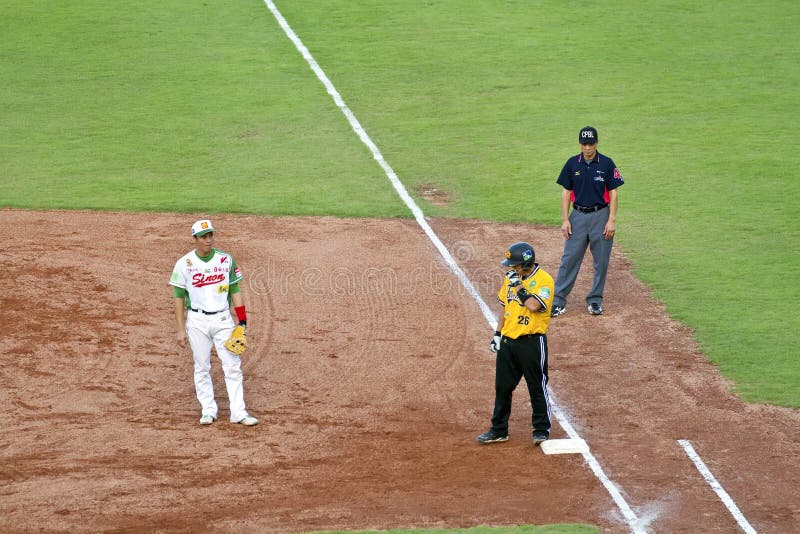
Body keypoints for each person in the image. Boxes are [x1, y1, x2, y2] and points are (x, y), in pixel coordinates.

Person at [169, 219, 259, 426]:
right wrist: (180, 329)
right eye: (203, 237)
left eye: (210, 235)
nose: (208, 240)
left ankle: (239, 412)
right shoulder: (184, 263)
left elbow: (235, 289)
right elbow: (178, 297)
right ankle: (208, 410)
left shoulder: (225, 260)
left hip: (222, 319)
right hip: (197, 320)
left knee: (232, 366)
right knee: (201, 366)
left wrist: (242, 320)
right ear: (195, 239)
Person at [477, 242, 554, 446]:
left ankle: (541, 430)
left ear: (525, 263)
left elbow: (534, 305)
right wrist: (497, 333)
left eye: (515, 265)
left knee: (536, 386)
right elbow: (505, 306)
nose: (511, 268)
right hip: (508, 341)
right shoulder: (511, 279)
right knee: (502, 388)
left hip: (531, 343)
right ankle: (499, 430)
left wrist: (518, 286)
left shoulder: (544, 281)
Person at [551, 126, 624, 317]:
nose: (587, 147)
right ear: (580, 144)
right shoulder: (572, 164)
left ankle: (595, 300)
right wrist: (565, 219)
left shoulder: (607, 164)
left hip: (601, 216)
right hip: (577, 217)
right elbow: (566, 192)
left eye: (591, 143)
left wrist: (611, 220)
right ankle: (558, 301)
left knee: (601, 261)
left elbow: (614, 193)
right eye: (584, 143)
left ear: (597, 143)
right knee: (569, 259)